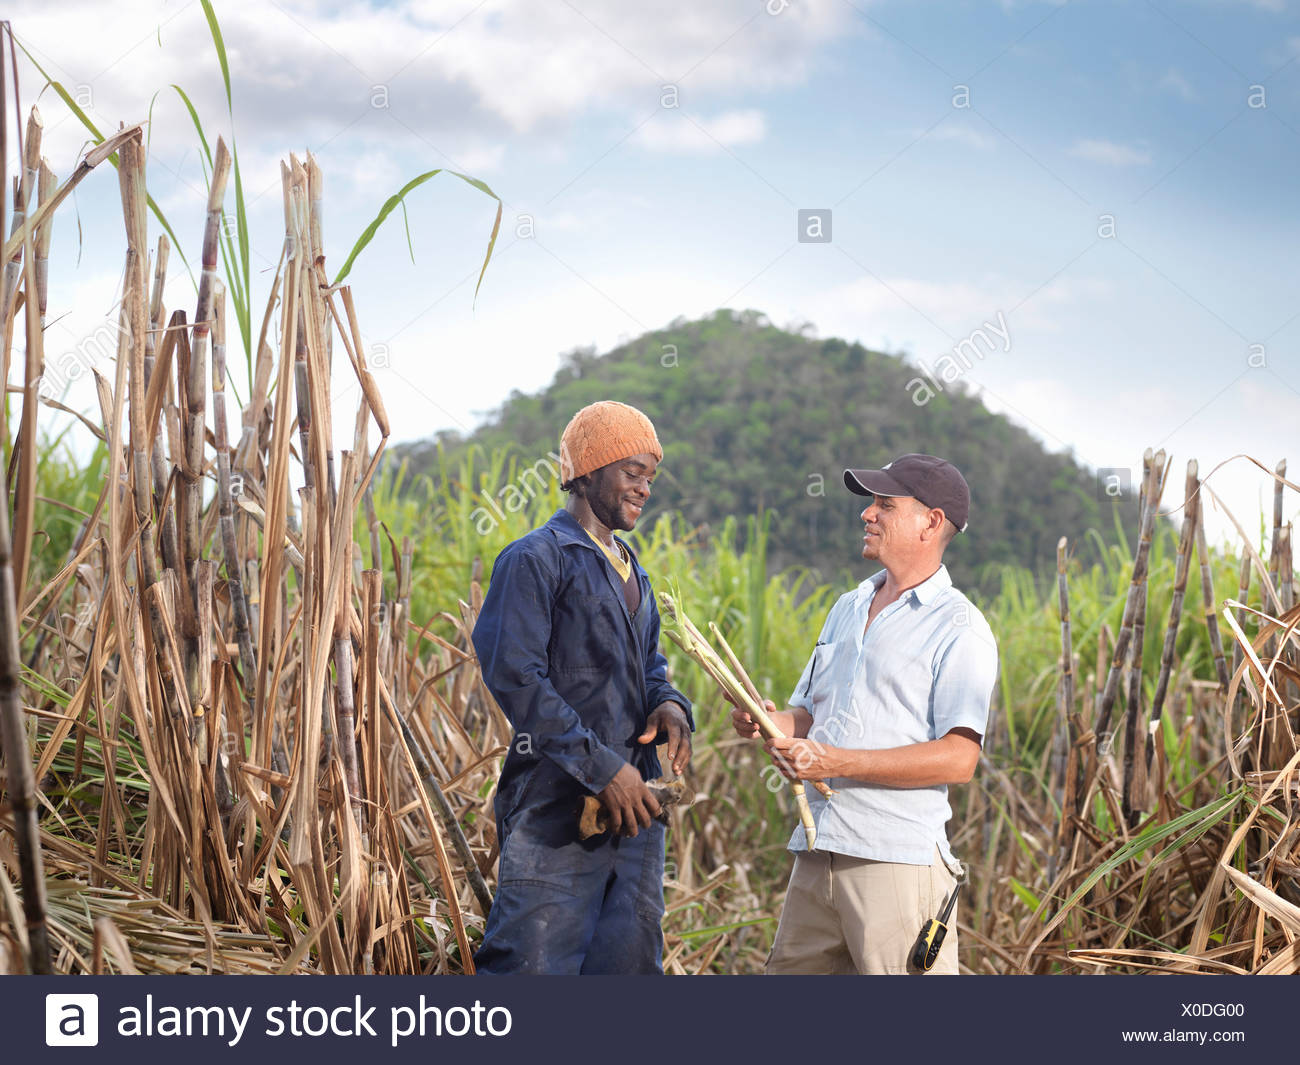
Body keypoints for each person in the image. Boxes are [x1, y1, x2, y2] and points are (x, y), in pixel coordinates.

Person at [731, 453, 998, 974]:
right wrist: (764, 721)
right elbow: (805, 717)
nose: (867, 514)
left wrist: (833, 763)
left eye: (884, 504)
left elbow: (958, 759)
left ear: (931, 522)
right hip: (817, 852)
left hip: (896, 862)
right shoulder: (848, 607)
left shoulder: (960, 627)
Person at [471, 400, 693, 974]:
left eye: (650, 477)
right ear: (586, 472)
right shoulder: (535, 560)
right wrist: (601, 769)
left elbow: (648, 661)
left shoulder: (631, 567)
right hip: (556, 806)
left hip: (635, 812)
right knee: (532, 966)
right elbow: (515, 675)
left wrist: (666, 702)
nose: (644, 488)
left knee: (626, 968)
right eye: (631, 472)